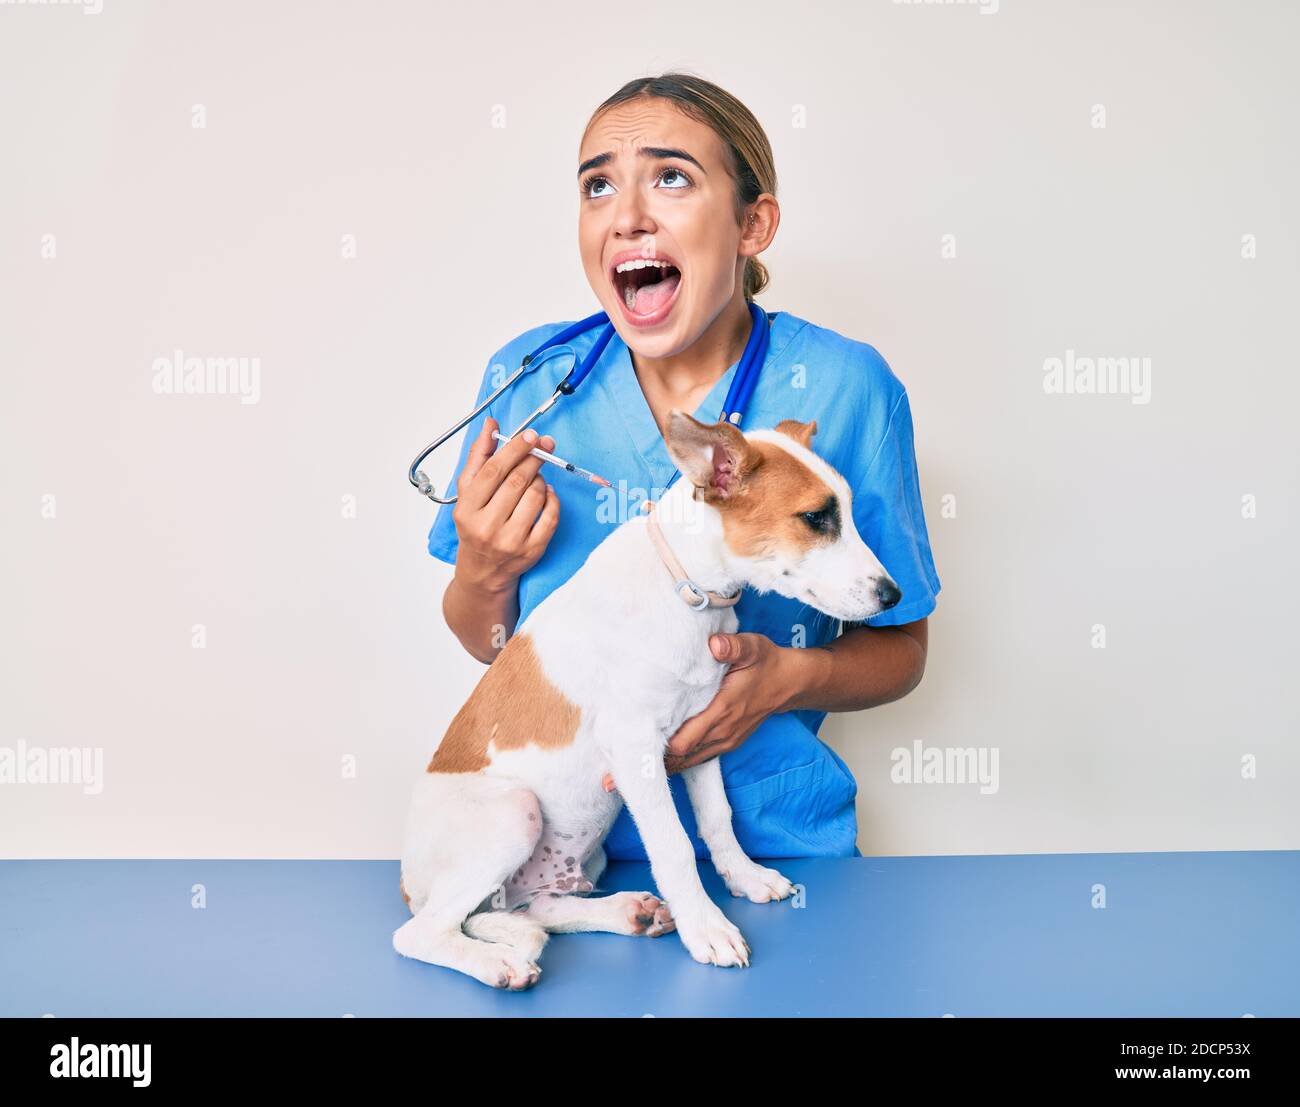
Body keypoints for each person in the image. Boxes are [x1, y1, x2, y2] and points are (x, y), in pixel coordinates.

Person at [425, 73, 941, 861]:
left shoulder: (844, 388)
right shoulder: (530, 381)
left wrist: (789, 678)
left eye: (671, 178)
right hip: (558, 849)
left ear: (752, 223)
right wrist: (484, 570)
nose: (628, 216)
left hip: (777, 846)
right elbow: (491, 642)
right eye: (598, 186)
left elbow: (902, 650)